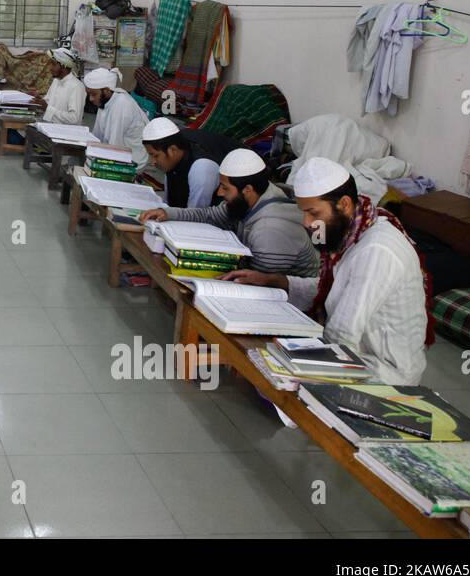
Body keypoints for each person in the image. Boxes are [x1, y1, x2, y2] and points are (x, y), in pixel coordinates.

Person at [223, 156, 432, 384]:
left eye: (313, 213)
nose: (306, 222)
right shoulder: (358, 226)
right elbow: (334, 287)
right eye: (303, 212)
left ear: (343, 204)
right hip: (355, 349)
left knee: (267, 366)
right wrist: (274, 280)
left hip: (383, 370)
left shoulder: (377, 251)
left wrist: (295, 357)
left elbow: (343, 333)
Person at [140, 148, 320, 278]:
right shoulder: (255, 196)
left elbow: (258, 280)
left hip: (290, 302)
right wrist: (167, 213)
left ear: (247, 189)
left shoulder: (270, 229)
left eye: (225, 188)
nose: (219, 193)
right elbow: (209, 216)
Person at [141, 117, 242, 209]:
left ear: (172, 150)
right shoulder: (175, 152)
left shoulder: (201, 168)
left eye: (155, 156)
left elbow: (194, 215)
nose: (153, 162)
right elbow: (169, 205)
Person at [84, 66, 148, 164]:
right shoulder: (104, 101)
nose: (91, 99)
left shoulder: (122, 104)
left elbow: (115, 148)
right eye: (89, 95)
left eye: (93, 94)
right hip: (116, 153)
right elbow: (97, 137)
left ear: (106, 91)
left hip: (134, 161)